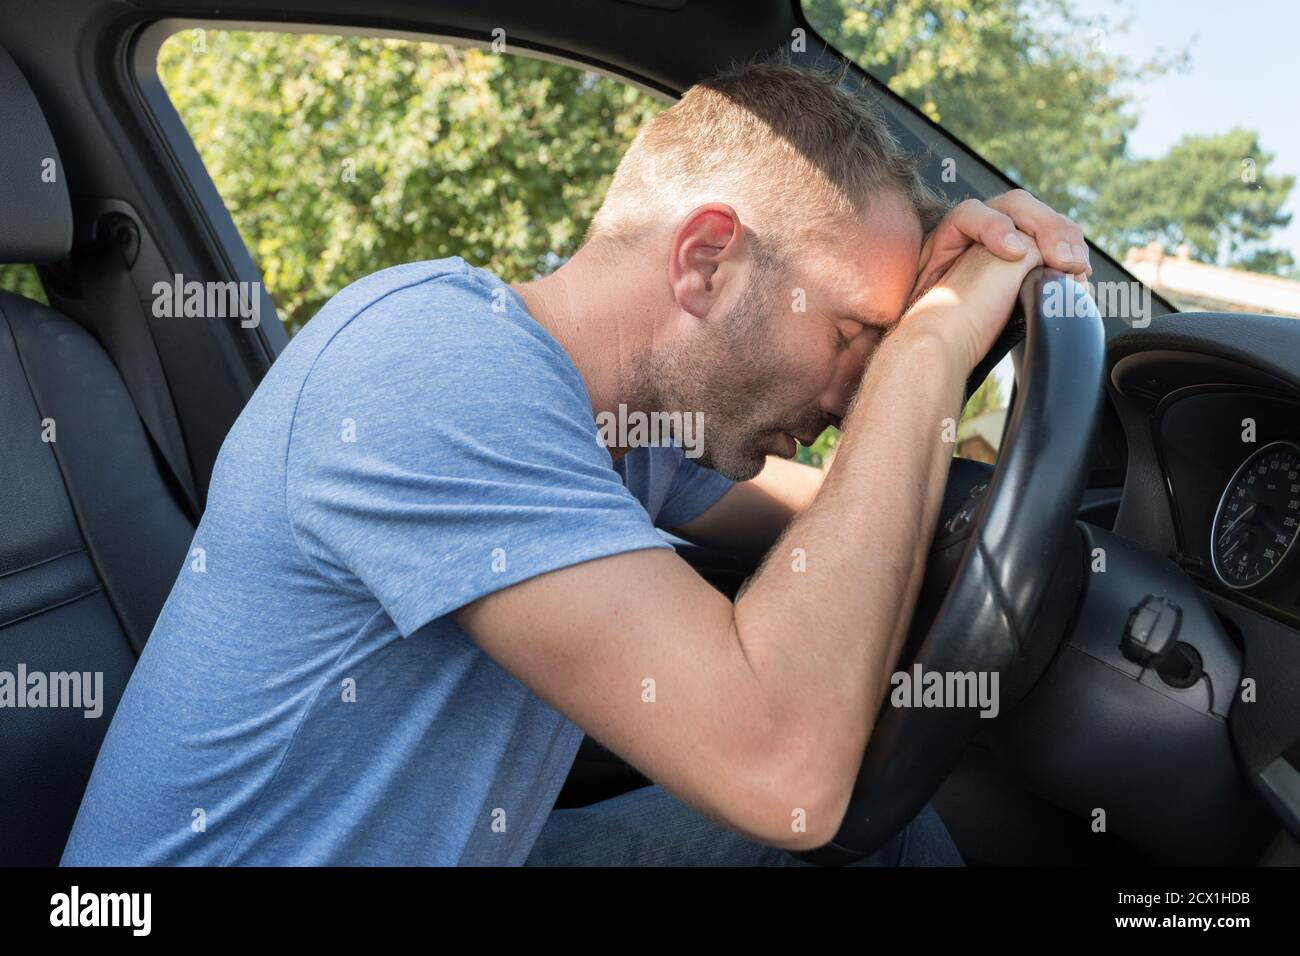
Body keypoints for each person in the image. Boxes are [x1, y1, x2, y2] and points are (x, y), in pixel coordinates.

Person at [61, 61, 1090, 866]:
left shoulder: (635, 426)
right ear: (705, 260)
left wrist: (956, 336)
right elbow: (784, 770)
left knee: (883, 840)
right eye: (847, 338)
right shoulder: (439, 370)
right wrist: (922, 353)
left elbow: (843, 526)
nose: (847, 399)